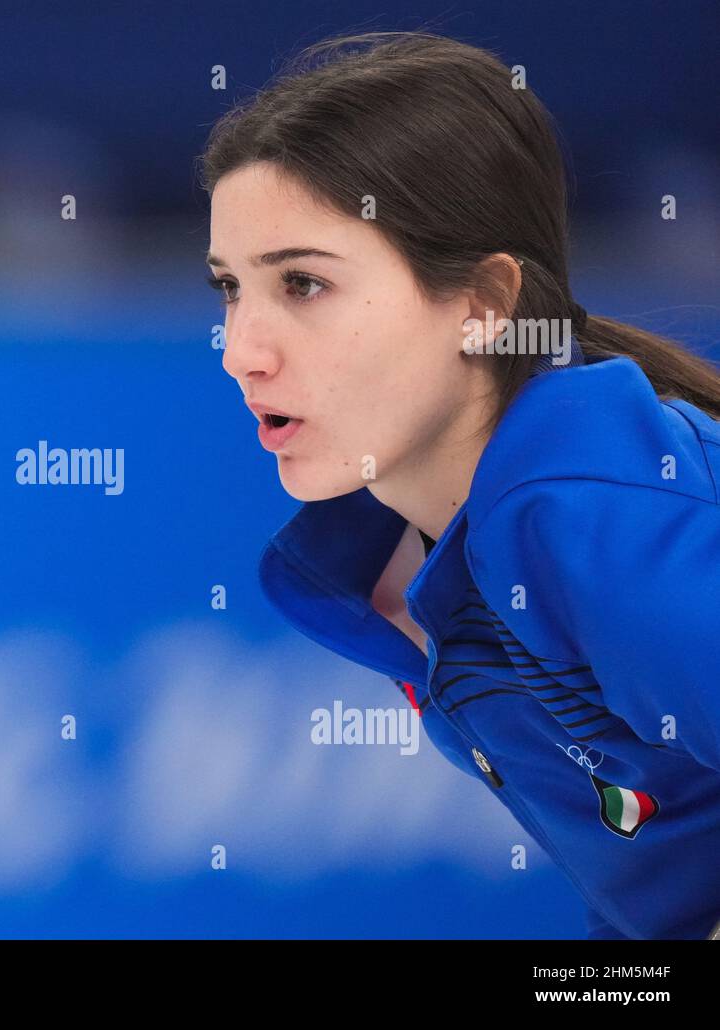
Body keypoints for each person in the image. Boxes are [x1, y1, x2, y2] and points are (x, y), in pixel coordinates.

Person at [201, 30, 720, 940]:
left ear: (485, 306)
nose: (241, 350)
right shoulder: (396, 564)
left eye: (305, 285)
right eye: (229, 289)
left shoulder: (587, 515)